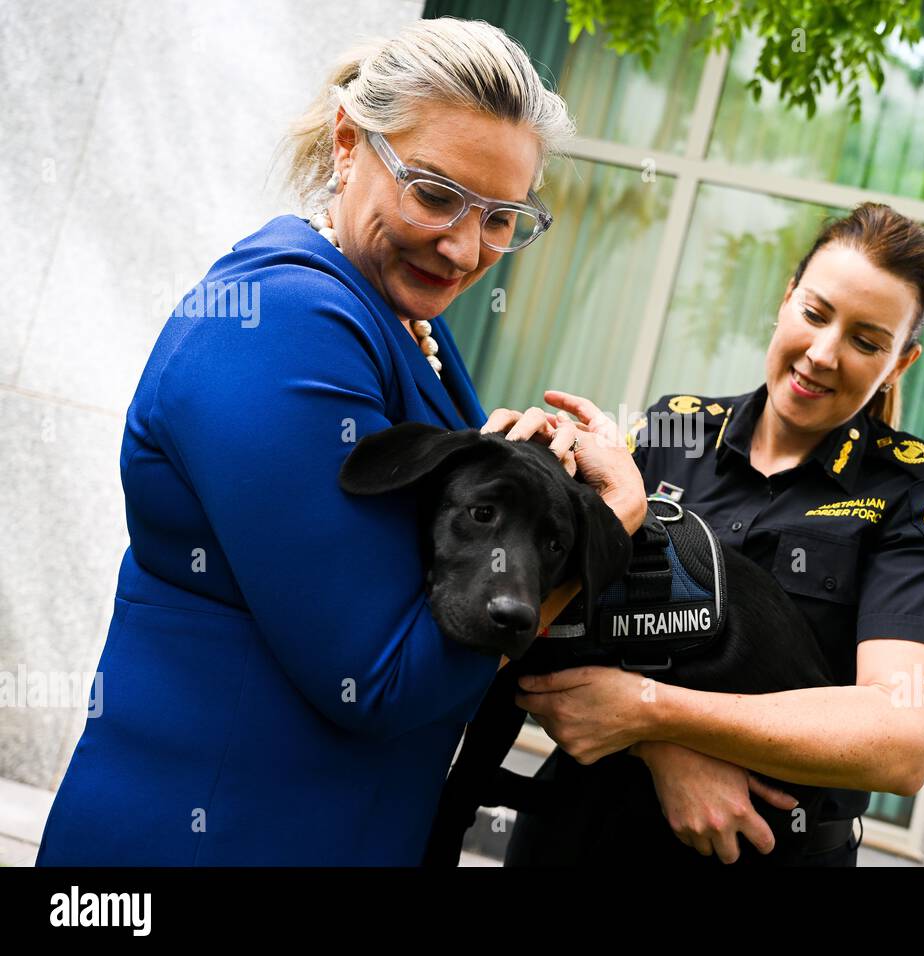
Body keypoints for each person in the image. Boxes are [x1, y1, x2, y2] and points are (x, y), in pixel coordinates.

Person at [34, 18, 645, 866]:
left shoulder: (404, 317)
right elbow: (383, 677)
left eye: (502, 217)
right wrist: (598, 527)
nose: (466, 248)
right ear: (350, 143)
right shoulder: (278, 326)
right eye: (434, 194)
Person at [492, 202, 924, 867]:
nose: (824, 354)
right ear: (784, 301)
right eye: (815, 313)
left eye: (866, 341)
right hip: (582, 836)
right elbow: (549, 628)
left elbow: (903, 741)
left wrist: (655, 712)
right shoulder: (672, 429)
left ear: (900, 363)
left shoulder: (914, 492)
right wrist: (661, 749)